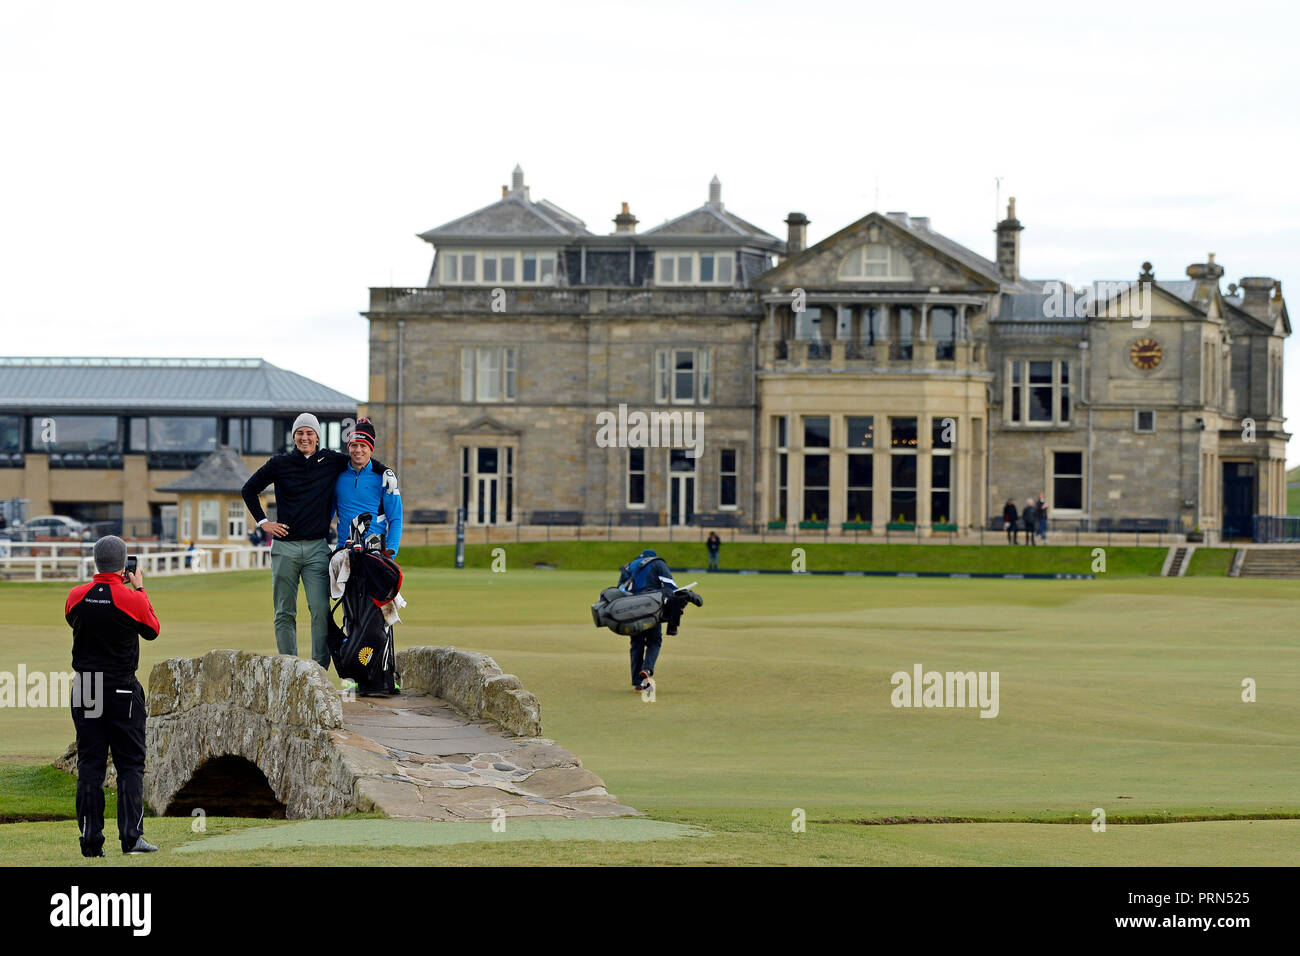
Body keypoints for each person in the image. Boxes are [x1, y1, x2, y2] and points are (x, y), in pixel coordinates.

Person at [242, 413, 385, 669]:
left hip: (317, 549)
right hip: (284, 548)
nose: (304, 437)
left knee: (320, 610)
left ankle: (318, 669)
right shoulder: (279, 463)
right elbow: (248, 490)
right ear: (294, 436)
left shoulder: (332, 461)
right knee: (284, 611)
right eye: (300, 433)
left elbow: (361, 458)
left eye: (309, 433)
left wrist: (387, 472)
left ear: (317, 436)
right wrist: (265, 523)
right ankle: (289, 666)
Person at [64, 535, 160, 856]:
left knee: (90, 764)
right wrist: (140, 589)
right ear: (124, 564)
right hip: (120, 688)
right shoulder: (129, 597)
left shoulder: (76, 596)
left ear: (95, 561)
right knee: (130, 765)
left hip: (87, 686)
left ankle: (91, 842)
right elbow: (152, 629)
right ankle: (132, 838)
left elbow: (72, 618)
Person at [333, 418, 402, 557]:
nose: (358, 450)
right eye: (354, 445)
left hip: (375, 553)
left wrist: (391, 552)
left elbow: (395, 518)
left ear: (371, 449)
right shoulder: (337, 476)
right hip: (344, 552)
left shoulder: (385, 478)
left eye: (363, 446)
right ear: (349, 448)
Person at [618, 548, 678, 693]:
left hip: (632, 611)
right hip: (651, 610)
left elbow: (620, 590)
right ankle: (647, 669)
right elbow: (671, 587)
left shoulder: (628, 566)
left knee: (636, 644)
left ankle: (638, 683)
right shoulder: (657, 563)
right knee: (654, 642)